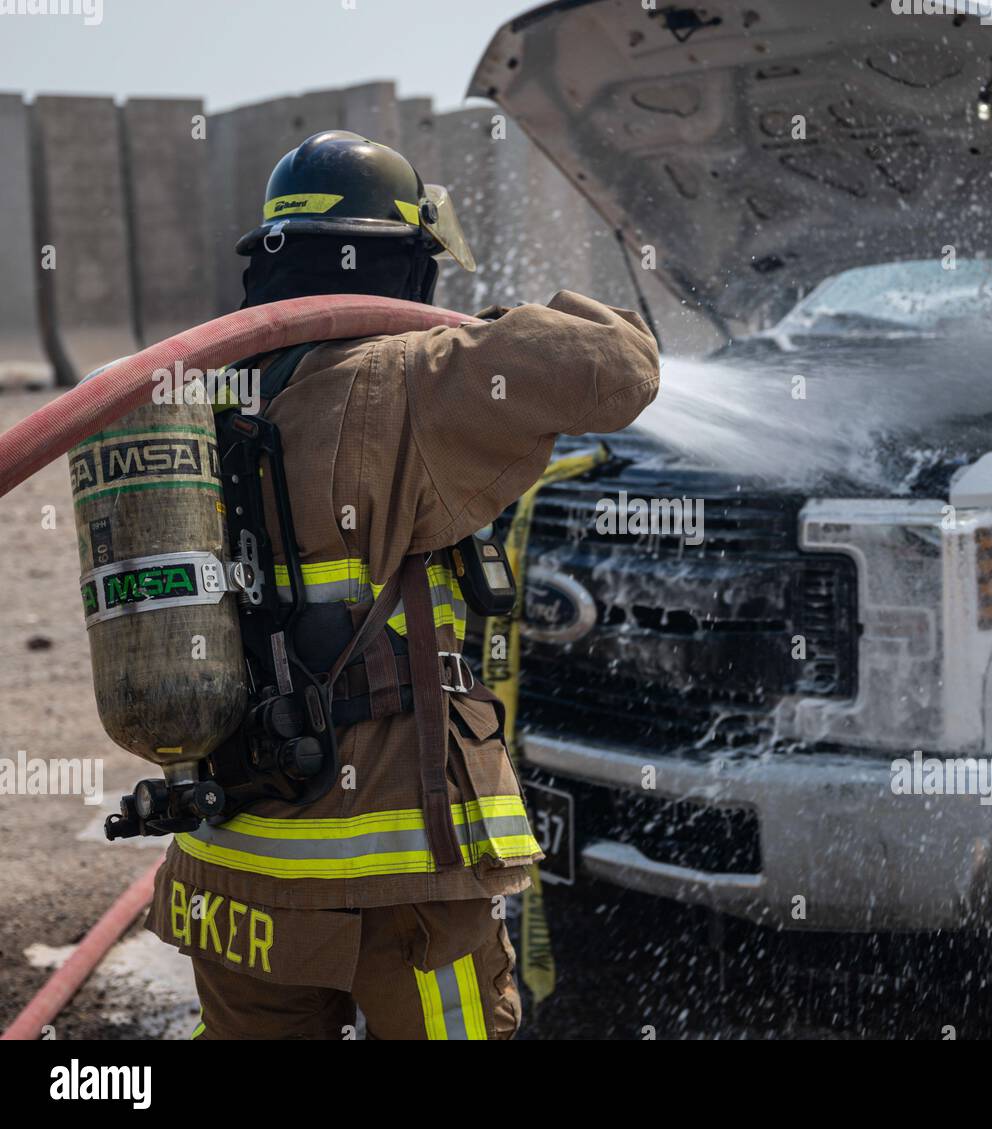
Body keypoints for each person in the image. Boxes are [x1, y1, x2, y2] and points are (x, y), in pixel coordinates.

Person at [143, 130, 660, 1040]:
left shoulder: (203, 394)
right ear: (406, 267)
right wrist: (484, 328)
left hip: (229, 869)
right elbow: (619, 365)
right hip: (398, 879)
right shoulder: (419, 378)